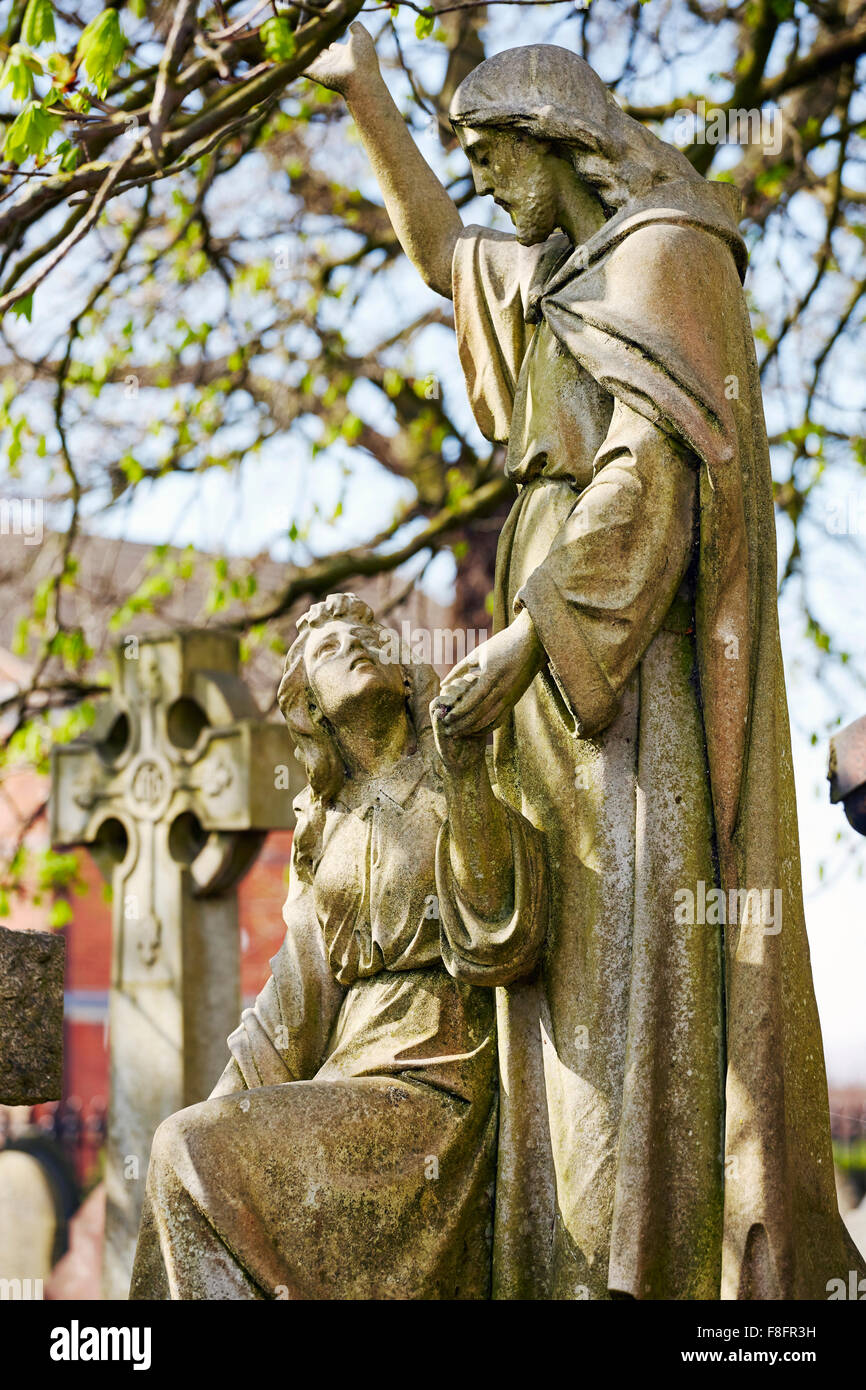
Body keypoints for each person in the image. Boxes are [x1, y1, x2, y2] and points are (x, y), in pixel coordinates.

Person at [305, 31, 864, 1299]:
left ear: (552, 136)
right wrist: (362, 95)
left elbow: (648, 480)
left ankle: (647, 1268)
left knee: (633, 966)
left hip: (623, 687)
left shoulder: (663, 255)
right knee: (557, 997)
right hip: (541, 690)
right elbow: (444, 254)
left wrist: (521, 647)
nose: (488, 180)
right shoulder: (556, 280)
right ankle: (556, 1264)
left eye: (494, 152)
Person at [130, 593, 545, 1299]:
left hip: (437, 1087)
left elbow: (501, 932)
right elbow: (294, 1000)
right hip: (346, 1079)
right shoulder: (324, 830)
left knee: (187, 1151)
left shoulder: (460, 771)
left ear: (408, 678)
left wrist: (468, 776)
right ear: (314, 710)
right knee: (185, 1149)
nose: (355, 647)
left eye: (370, 638)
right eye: (328, 650)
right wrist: (223, 1111)